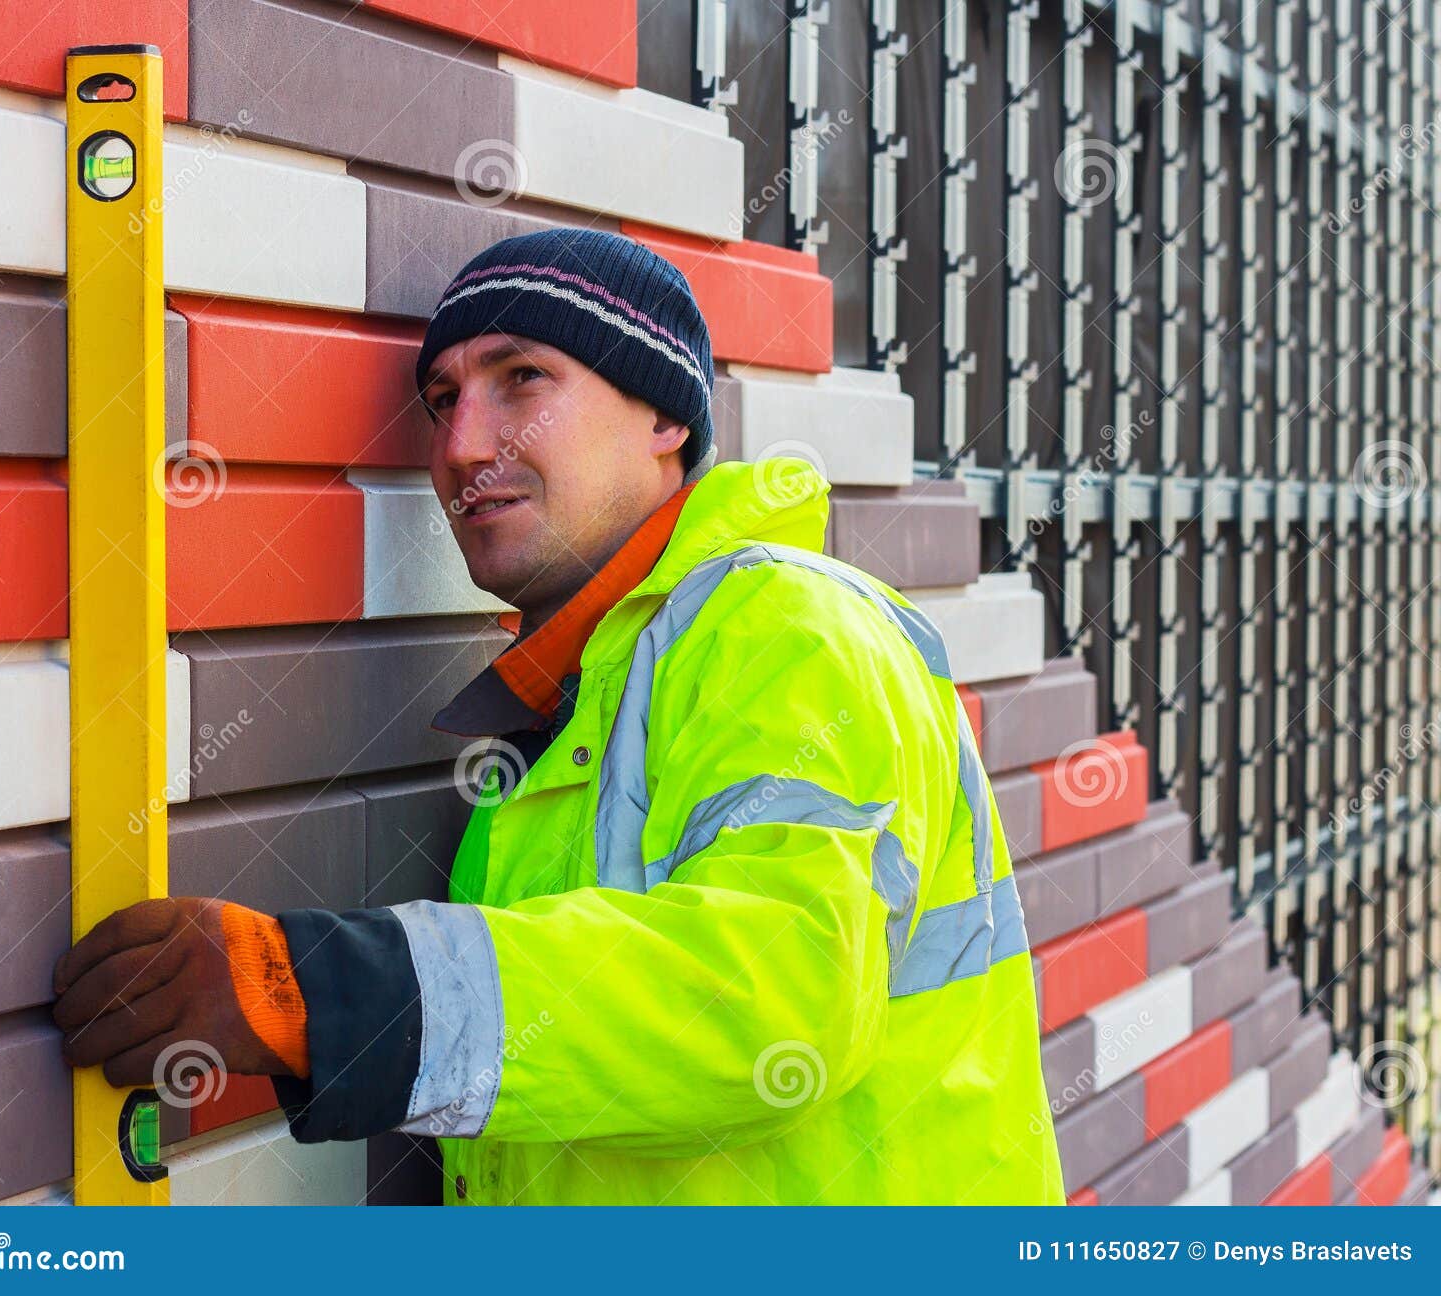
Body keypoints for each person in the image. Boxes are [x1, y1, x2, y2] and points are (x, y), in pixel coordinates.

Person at [52, 227, 1064, 1205]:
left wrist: (313, 995)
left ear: (666, 418)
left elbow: (772, 999)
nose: (459, 446)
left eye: (521, 379)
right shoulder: (574, 707)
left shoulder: (779, 624)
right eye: (441, 399)